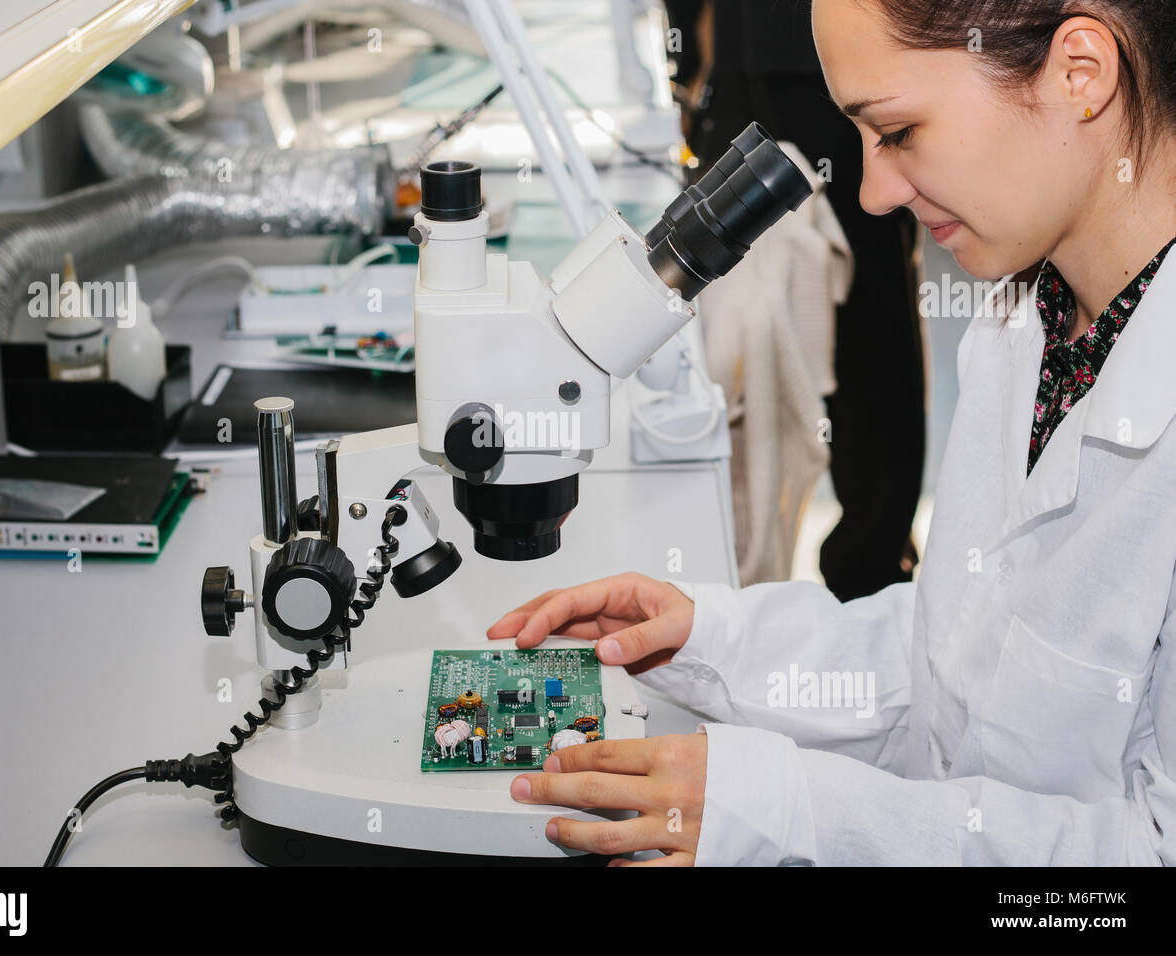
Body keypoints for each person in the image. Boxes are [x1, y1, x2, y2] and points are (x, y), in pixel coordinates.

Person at [487, 0, 1176, 865]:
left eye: (898, 132)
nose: (873, 192)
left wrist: (801, 814)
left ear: (1080, 74)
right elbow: (960, 656)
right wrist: (712, 641)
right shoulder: (1029, 320)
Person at [680, 0, 927, 600]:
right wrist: (693, 66)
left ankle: (872, 564)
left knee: (869, 316)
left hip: (839, 52)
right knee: (731, 310)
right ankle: (739, 565)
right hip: (742, 61)